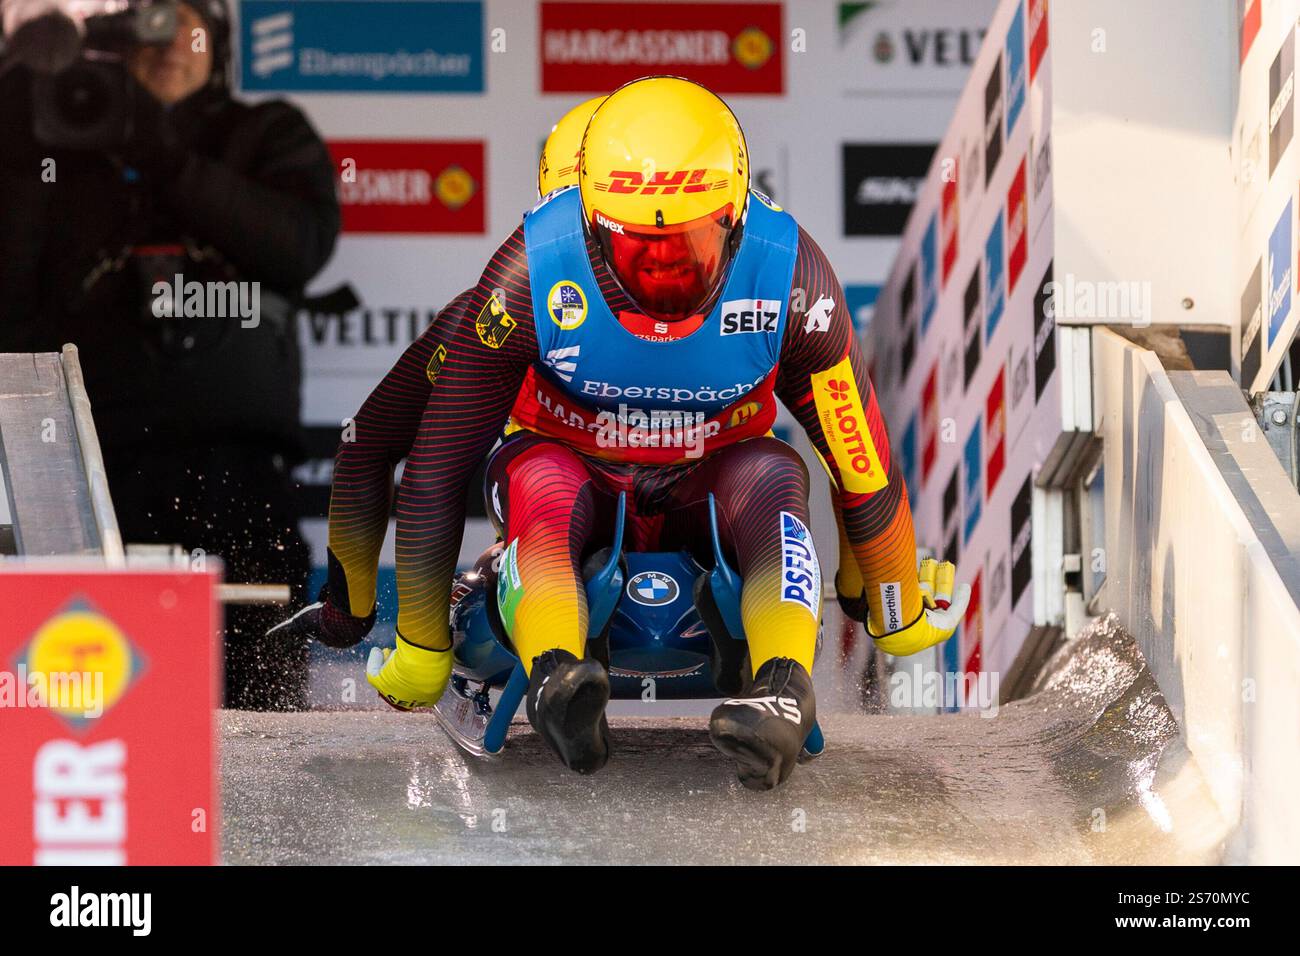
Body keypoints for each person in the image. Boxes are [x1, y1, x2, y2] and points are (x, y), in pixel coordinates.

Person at [0, 0, 341, 709]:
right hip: (92, 471)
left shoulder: (264, 131)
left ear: (218, 43)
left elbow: (297, 245)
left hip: (238, 469)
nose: (166, 46)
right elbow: (13, 293)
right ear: (113, 44)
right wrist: (20, 101)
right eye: (145, 29)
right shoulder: (63, 142)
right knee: (89, 704)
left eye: (184, 26)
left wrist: (166, 156)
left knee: (260, 707)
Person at [270, 96, 607, 650]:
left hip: (574, 547)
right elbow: (369, 445)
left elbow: (367, 445)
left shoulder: (496, 306)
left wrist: (350, 615)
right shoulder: (761, 288)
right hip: (650, 545)